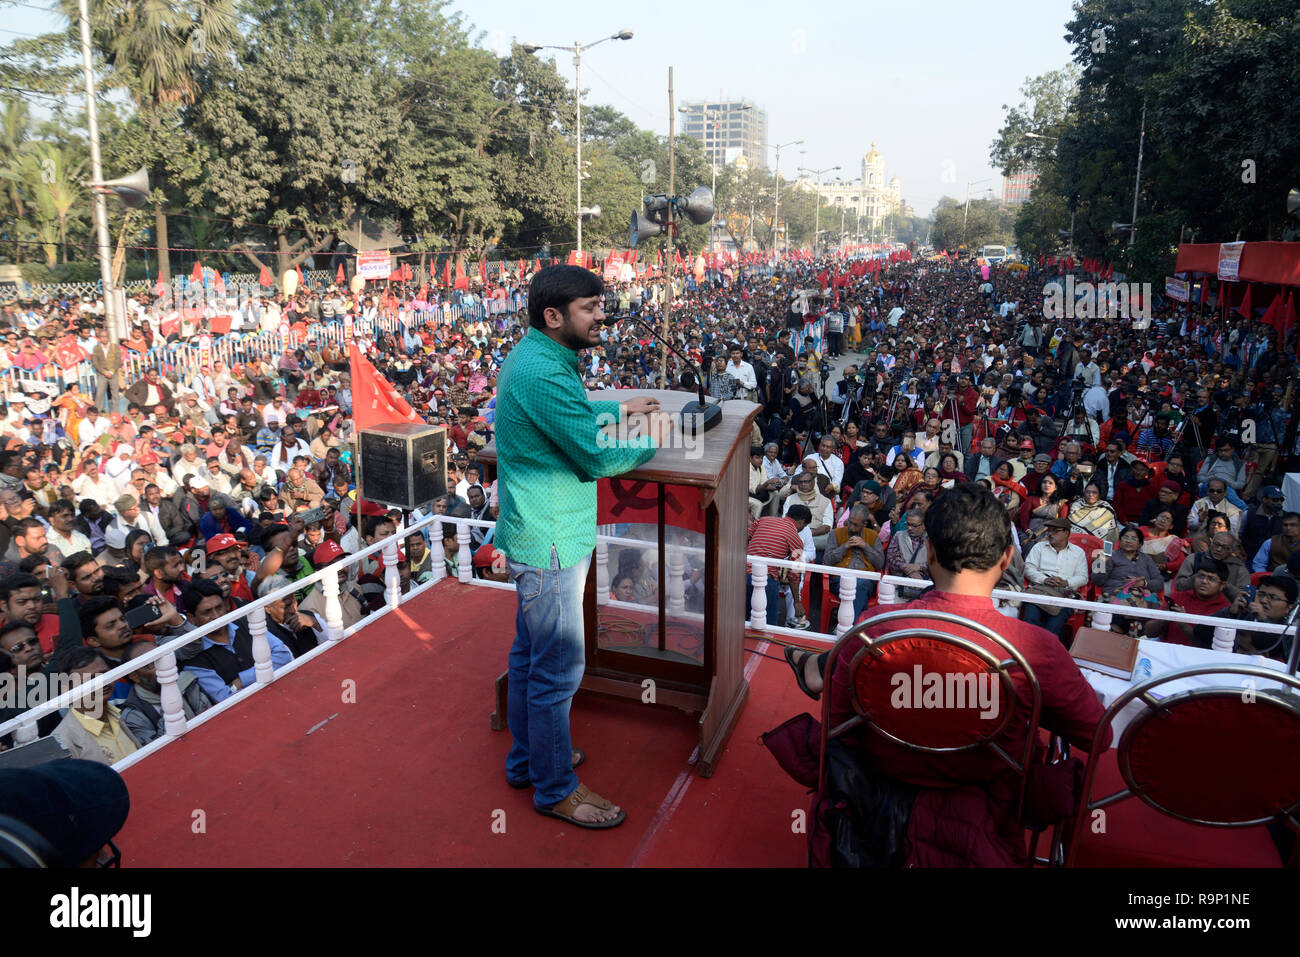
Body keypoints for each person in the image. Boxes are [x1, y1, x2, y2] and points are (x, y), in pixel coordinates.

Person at [783, 483, 1109, 866]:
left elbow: (836, 728)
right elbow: (1098, 736)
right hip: (984, 796)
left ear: (932, 551)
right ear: (1006, 560)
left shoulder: (874, 630)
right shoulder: (1035, 650)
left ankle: (810, 668)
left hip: (879, 788)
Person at [493, 266, 670, 829]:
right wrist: (653, 438)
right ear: (554, 316)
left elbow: (566, 416)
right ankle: (555, 788)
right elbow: (594, 456)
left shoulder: (541, 358)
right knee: (558, 669)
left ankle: (528, 760)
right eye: (591, 309)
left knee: (530, 657)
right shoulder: (542, 372)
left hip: (540, 528)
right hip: (550, 537)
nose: (603, 318)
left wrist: (618, 411)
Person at [1021, 517, 1088, 639]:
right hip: (1039, 590)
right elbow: (1028, 568)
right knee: (1031, 620)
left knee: (1054, 626)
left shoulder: (1078, 552)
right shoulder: (1039, 547)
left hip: (1064, 594)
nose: (1050, 534)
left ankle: (1047, 654)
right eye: (1049, 530)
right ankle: (1028, 651)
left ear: (1066, 533)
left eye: (1055, 531)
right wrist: (1043, 579)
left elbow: (1083, 577)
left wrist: (1066, 582)